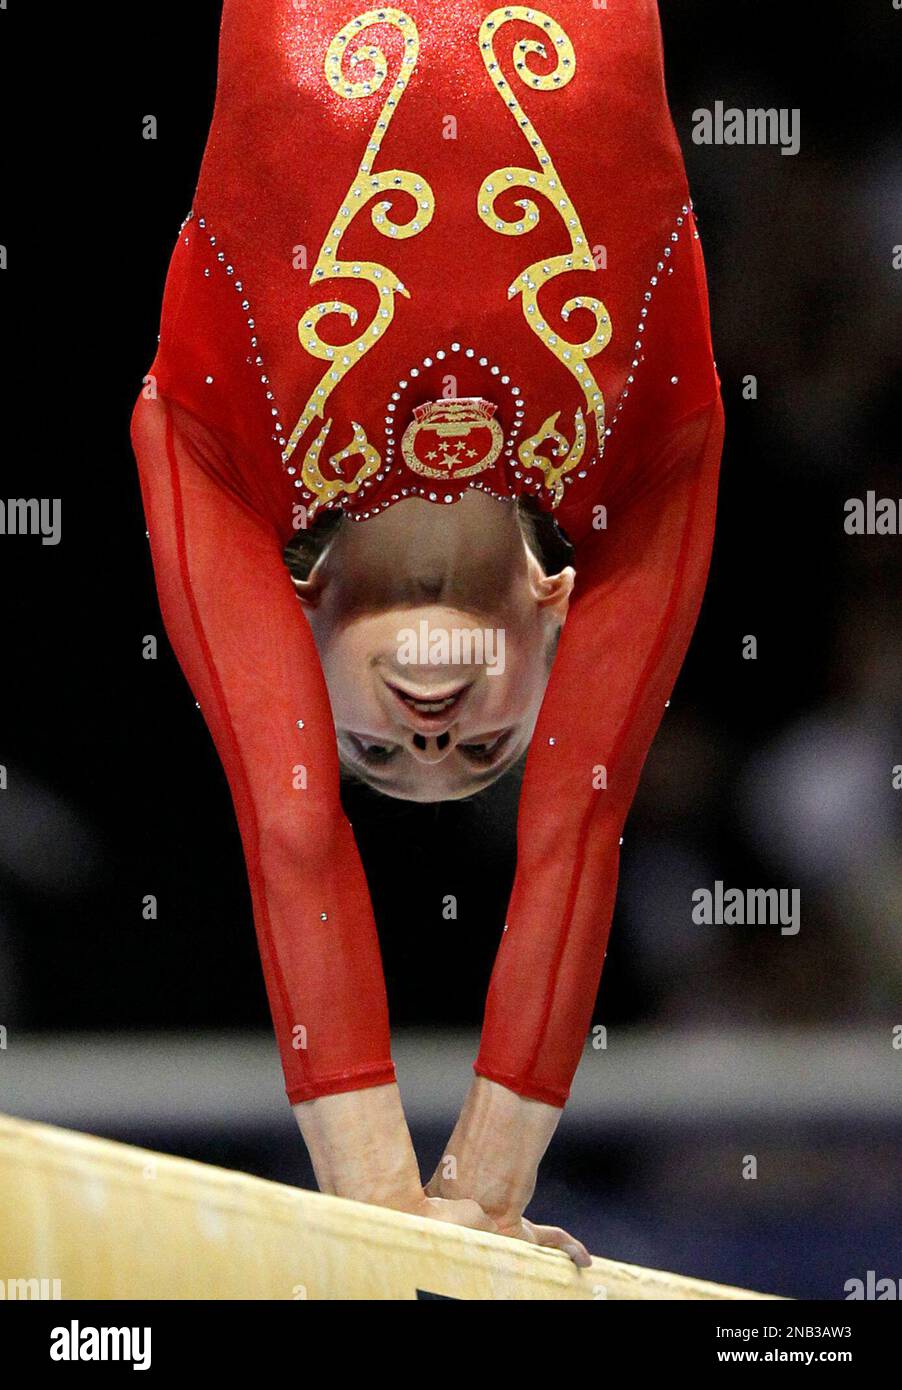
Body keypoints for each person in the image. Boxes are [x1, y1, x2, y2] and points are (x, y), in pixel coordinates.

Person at [131, 0, 722, 1265]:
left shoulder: (210, 452)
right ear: (553, 617)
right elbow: (577, 822)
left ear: (300, 634)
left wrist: (386, 1214)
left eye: (380, 756)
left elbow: (287, 830)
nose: (431, 741)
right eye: (482, 755)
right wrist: (481, 1198)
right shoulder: (655, 462)